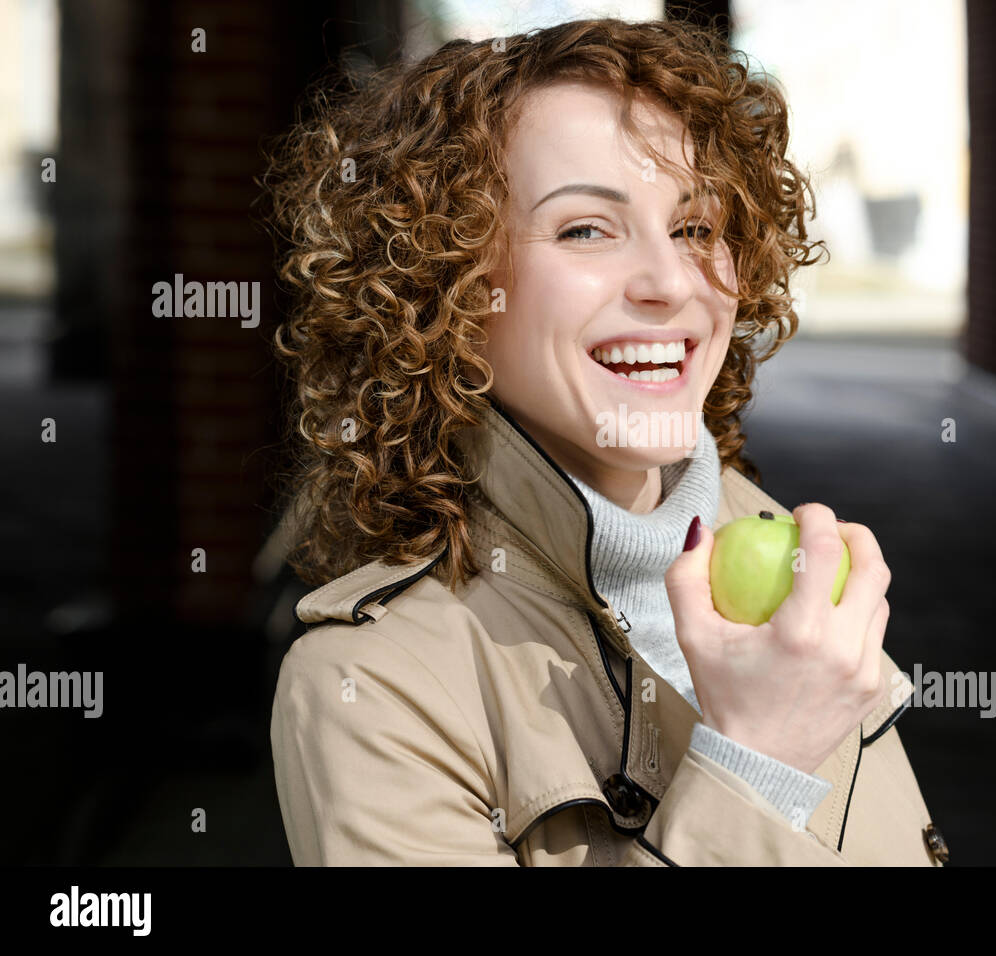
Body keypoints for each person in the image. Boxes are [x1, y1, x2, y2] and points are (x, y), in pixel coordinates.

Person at [261, 16, 947, 866]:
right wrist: (756, 763)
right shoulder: (374, 689)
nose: (669, 282)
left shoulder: (809, 572)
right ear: (444, 289)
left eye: (696, 227)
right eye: (586, 229)